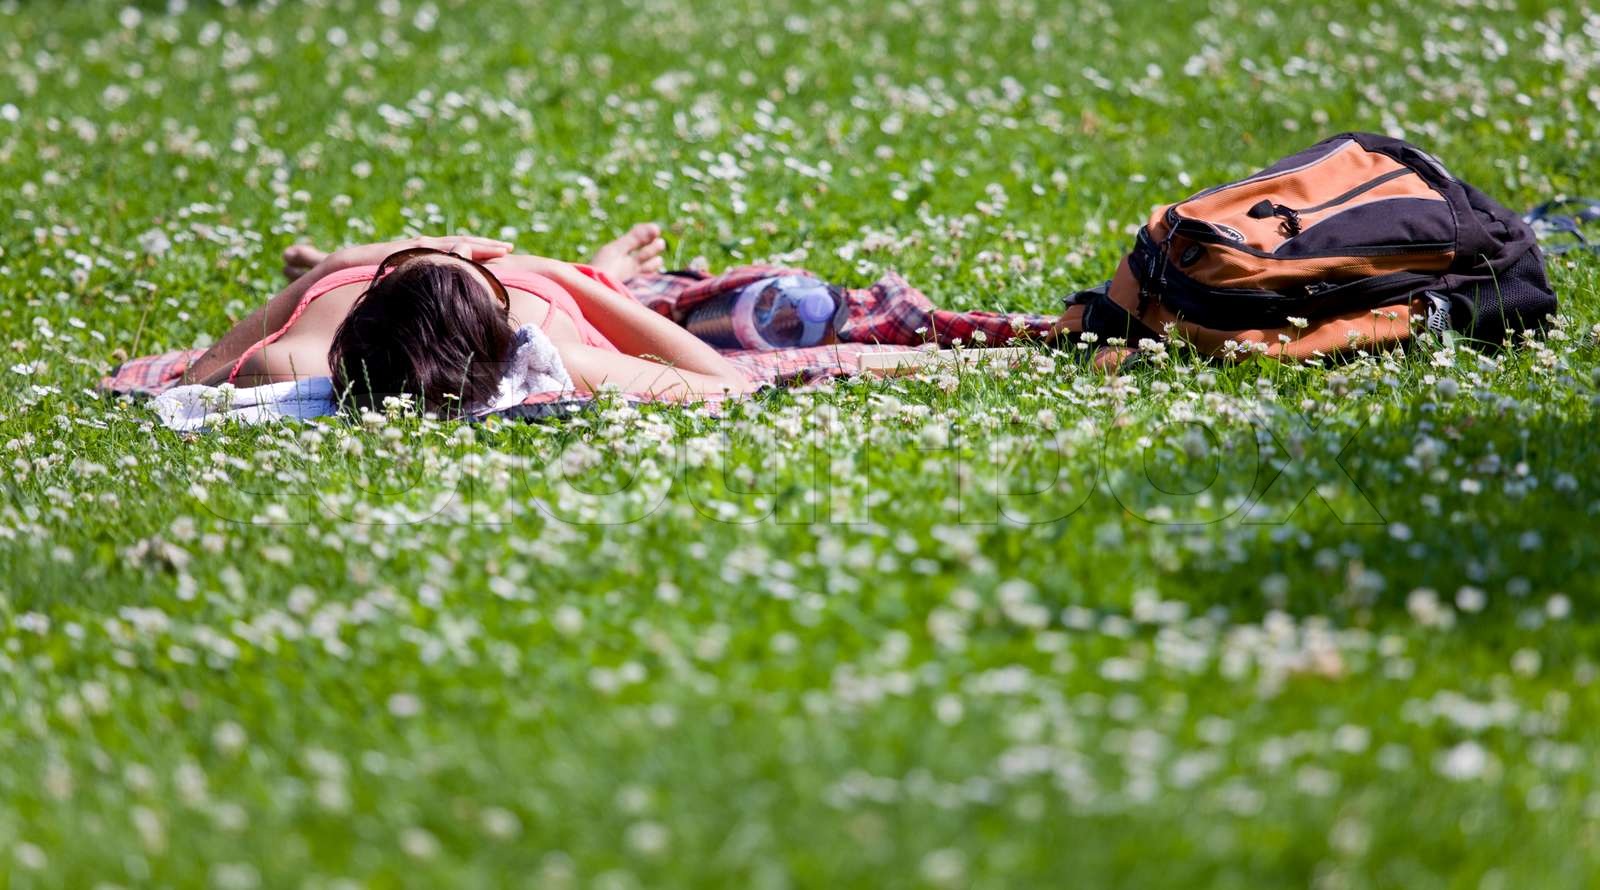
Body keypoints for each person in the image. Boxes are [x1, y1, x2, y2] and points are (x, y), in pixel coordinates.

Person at [183, 224, 756, 412]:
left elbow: (186, 385)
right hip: (537, 288)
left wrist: (339, 265)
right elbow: (730, 385)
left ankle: (604, 269)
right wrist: (567, 275)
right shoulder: (557, 354)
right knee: (608, 295)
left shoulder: (293, 358)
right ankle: (606, 272)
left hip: (358, 282)